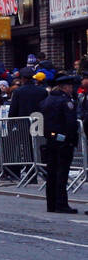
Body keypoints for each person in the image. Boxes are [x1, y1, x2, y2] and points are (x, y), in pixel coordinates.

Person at [37, 73, 80, 214]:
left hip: (51, 139)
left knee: (52, 172)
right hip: (64, 140)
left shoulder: (47, 100)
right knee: (62, 172)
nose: (71, 89)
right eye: (70, 86)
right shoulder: (65, 101)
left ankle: (51, 204)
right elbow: (70, 123)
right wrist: (72, 139)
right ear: (65, 87)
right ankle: (61, 203)